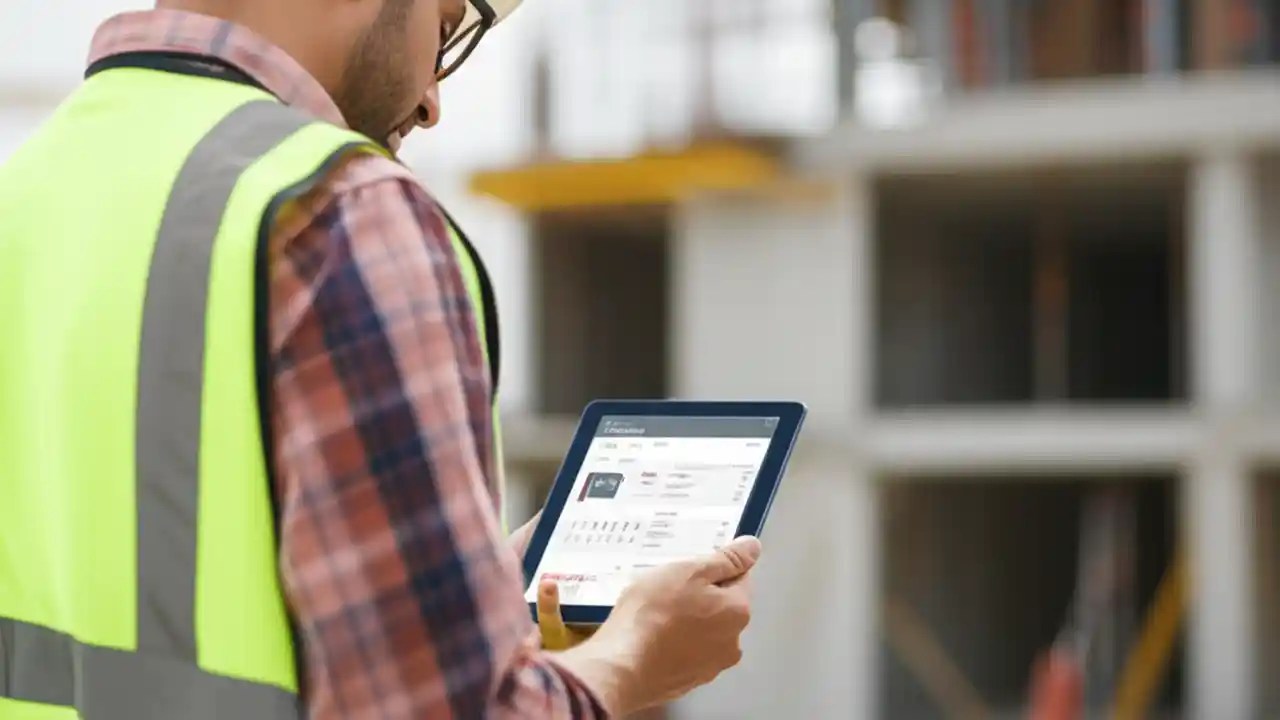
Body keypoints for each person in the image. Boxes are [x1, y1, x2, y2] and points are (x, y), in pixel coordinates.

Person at [0, 1, 762, 718]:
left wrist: (456, 588)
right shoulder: (338, 211)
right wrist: (631, 658)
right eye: (446, 26)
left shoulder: (29, 192)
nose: (431, 99)